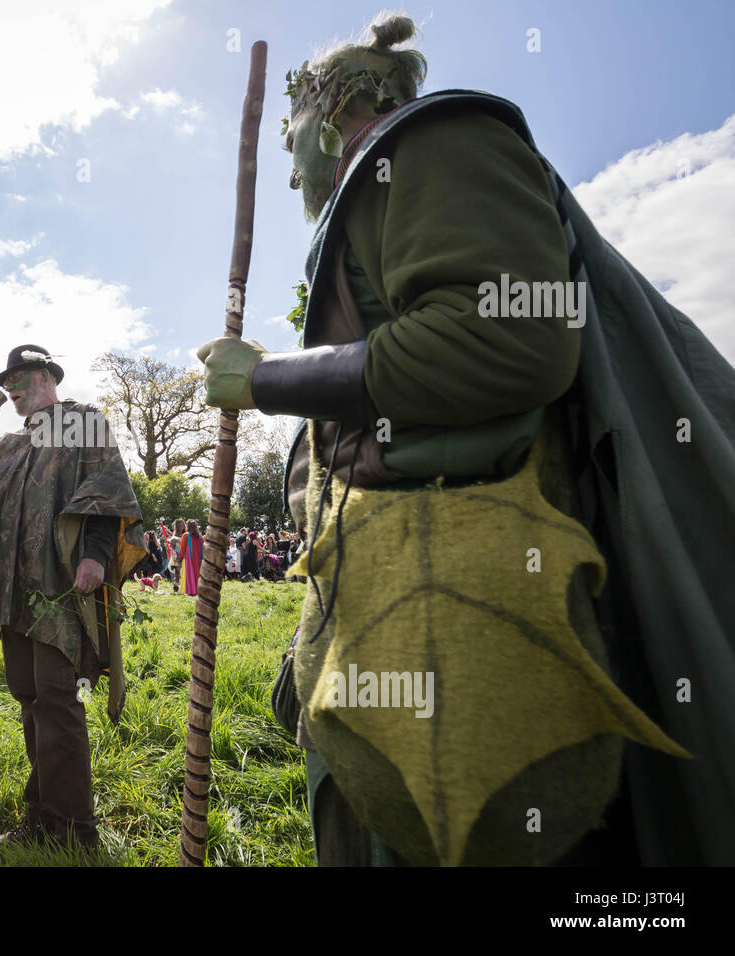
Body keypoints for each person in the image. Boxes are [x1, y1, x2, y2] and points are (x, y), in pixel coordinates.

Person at [198, 14, 733, 865]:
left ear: (330, 109)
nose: (285, 148)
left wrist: (266, 381)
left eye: (291, 123)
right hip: (388, 589)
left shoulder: (431, 143)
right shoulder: (374, 190)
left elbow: (507, 337)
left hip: (470, 613)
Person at [0, 343, 143, 850]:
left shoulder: (82, 423)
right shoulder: (7, 446)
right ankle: (42, 817)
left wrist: (95, 555)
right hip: (16, 597)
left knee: (60, 699)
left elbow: (106, 491)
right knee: (30, 700)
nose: (12, 387)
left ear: (46, 376)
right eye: (6, 381)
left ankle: (76, 831)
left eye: (21, 377)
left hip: (62, 594)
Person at [177, 519, 203, 596]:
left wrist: (180, 557)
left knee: (188, 574)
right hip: (199, 560)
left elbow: (182, 548)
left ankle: (190, 590)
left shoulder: (186, 535)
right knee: (198, 574)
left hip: (189, 560)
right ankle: (198, 590)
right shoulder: (201, 538)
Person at [169, 518, 186, 594]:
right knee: (177, 572)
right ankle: (176, 585)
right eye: (180, 524)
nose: (181, 526)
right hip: (176, 554)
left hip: (185, 555)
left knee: (184, 571)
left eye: (182, 524)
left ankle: (183, 586)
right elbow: (172, 546)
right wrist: (173, 553)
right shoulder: (175, 534)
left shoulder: (186, 534)